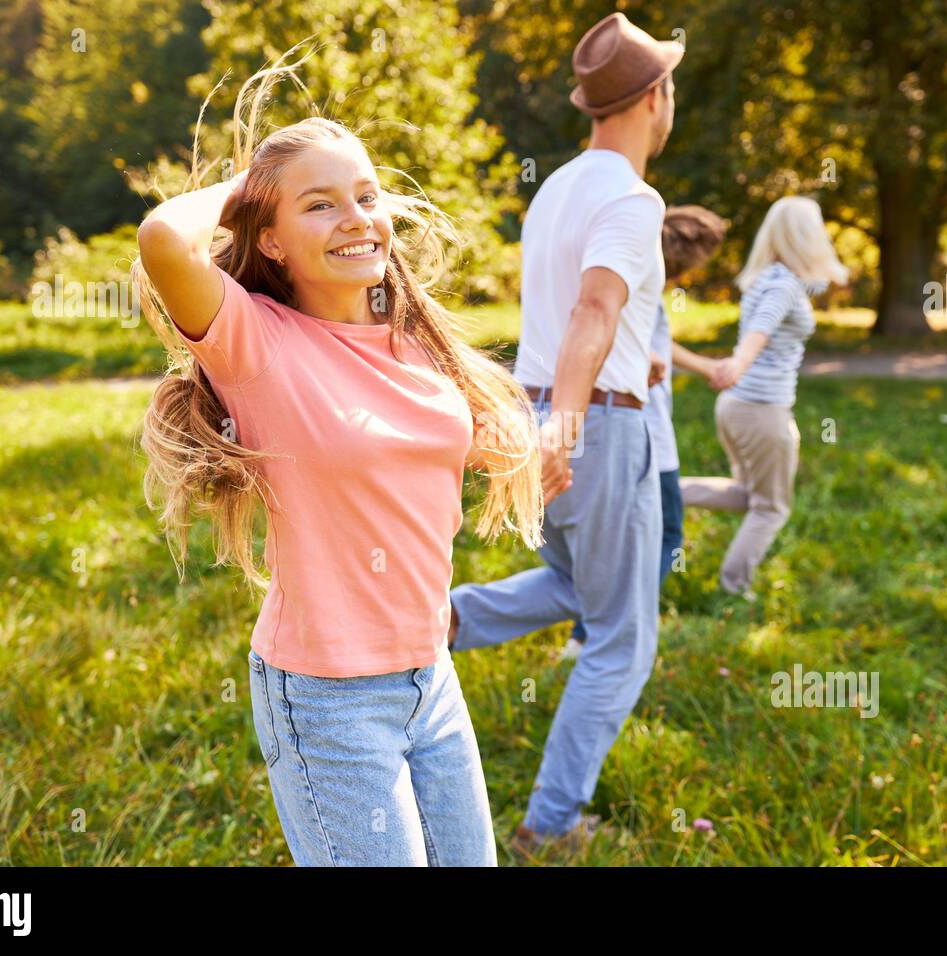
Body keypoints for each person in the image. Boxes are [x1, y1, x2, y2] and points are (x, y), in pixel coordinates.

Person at [132, 52, 544, 867]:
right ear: (272, 240)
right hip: (327, 697)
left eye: (366, 196)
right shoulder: (255, 343)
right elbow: (161, 241)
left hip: (430, 677)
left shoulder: (409, 337)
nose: (358, 217)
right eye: (320, 205)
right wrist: (249, 178)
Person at [445, 11, 683, 857]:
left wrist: (557, 415)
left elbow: (572, 316)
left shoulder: (557, 188)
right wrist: (574, 422)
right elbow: (594, 307)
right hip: (595, 430)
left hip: (540, 409)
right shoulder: (630, 195)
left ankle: (442, 622)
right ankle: (551, 821)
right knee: (623, 640)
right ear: (654, 96)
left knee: (576, 585)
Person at [562, 204, 729, 659]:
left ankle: (593, 628)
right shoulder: (640, 282)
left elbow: (657, 345)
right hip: (645, 430)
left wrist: (701, 365)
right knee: (667, 534)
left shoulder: (631, 278)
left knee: (626, 538)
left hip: (636, 426)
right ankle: (602, 628)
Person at [680, 196, 849, 598]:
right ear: (806, 236)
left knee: (747, 495)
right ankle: (734, 587)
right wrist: (738, 362)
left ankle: (667, 489)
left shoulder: (770, 277)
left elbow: (821, 282)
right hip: (761, 408)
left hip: (738, 406)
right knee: (771, 508)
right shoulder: (782, 287)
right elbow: (763, 325)